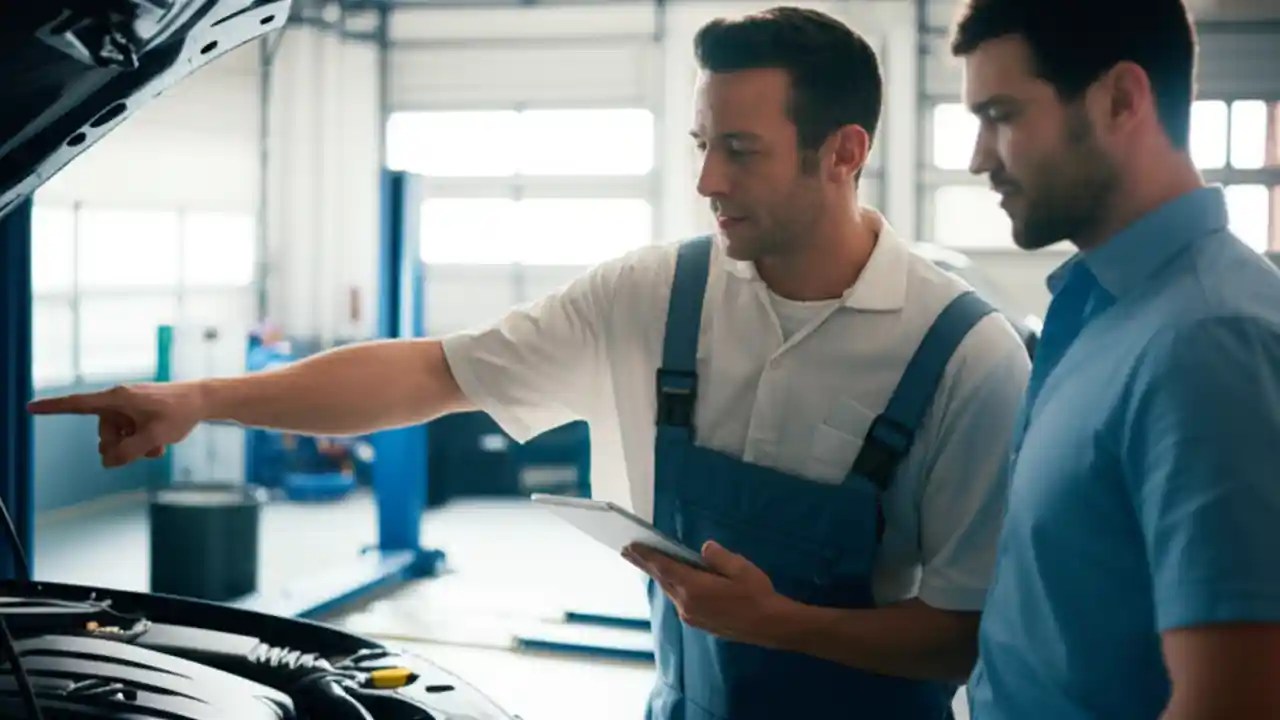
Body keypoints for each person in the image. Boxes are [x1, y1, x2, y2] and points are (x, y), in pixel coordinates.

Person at [31, 7, 1030, 718]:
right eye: (698, 142)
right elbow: (429, 374)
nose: (704, 179)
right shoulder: (655, 294)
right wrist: (204, 398)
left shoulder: (964, 359)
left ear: (842, 152)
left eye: (740, 148)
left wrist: (781, 626)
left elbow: (964, 635)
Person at [950, 0, 1280, 718]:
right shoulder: (1101, 309)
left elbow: (1236, 697)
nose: (979, 158)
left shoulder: (1207, 340)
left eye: (1002, 115)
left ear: (1121, 100)